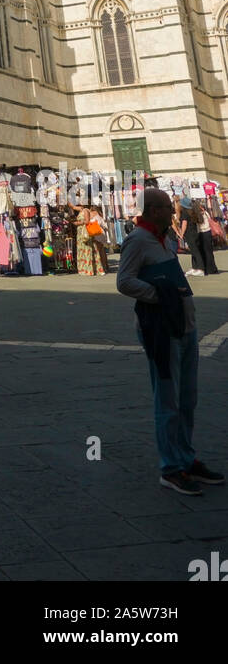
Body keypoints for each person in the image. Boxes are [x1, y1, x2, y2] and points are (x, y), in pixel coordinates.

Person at [116, 187, 223, 495]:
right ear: (152, 211)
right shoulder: (137, 240)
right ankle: (171, 468)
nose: (172, 211)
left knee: (187, 398)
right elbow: (124, 281)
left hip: (184, 326)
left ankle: (187, 458)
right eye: (166, 207)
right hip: (160, 328)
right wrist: (159, 296)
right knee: (168, 400)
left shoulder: (165, 238)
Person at [74, 204, 106, 277]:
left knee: (87, 249)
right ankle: (88, 269)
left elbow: (87, 221)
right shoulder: (82, 210)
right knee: (85, 249)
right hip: (81, 232)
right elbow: (73, 207)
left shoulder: (85, 210)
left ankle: (89, 269)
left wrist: (77, 223)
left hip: (84, 232)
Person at [178, 196, 205, 277]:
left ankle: (201, 269)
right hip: (194, 232)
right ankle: (195, 267)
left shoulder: (185, 212)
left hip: (189, 234)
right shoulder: (192, 211)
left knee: (195, 251)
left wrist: (181, 234)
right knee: (194, 251)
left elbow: (184, 224)